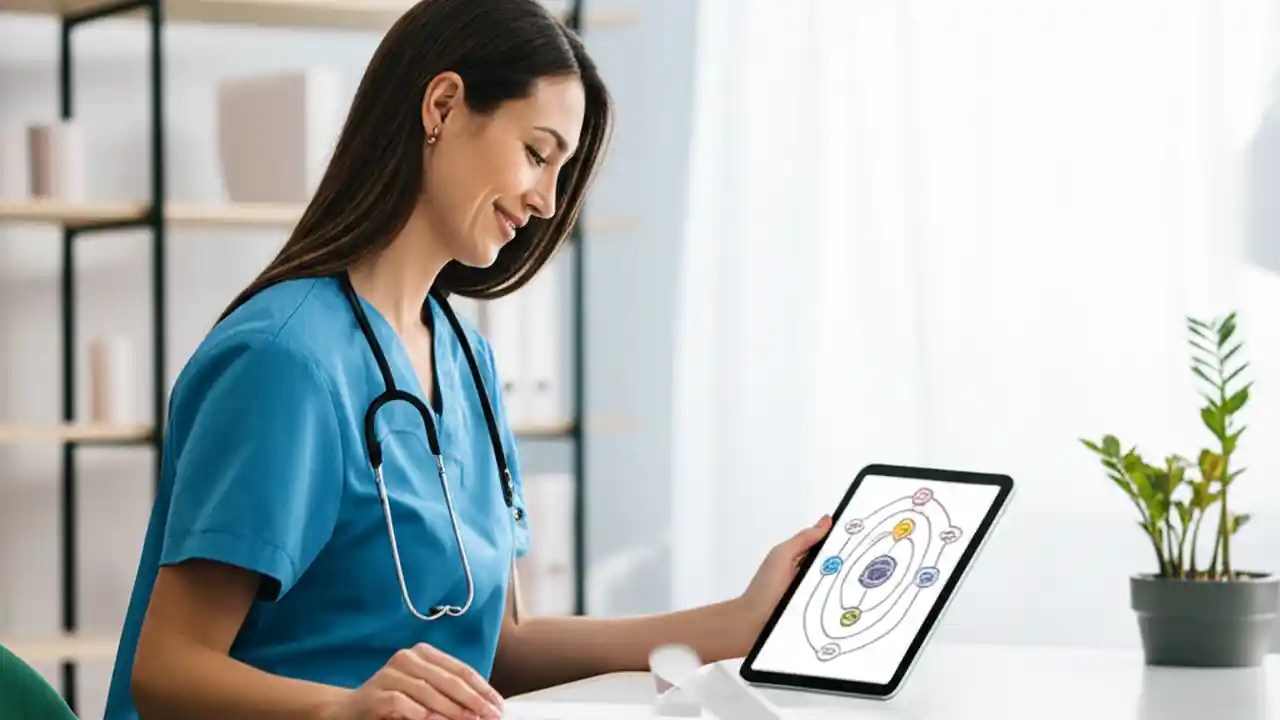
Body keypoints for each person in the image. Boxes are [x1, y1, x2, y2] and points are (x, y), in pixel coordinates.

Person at [104, 1, 833, 718]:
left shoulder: (467, 360)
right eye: (536, 153)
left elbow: (501, 648)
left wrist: (739, 623)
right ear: (444, 107)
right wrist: (346, 711)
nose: (548, 200)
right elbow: (167, 672)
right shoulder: (283, 361)